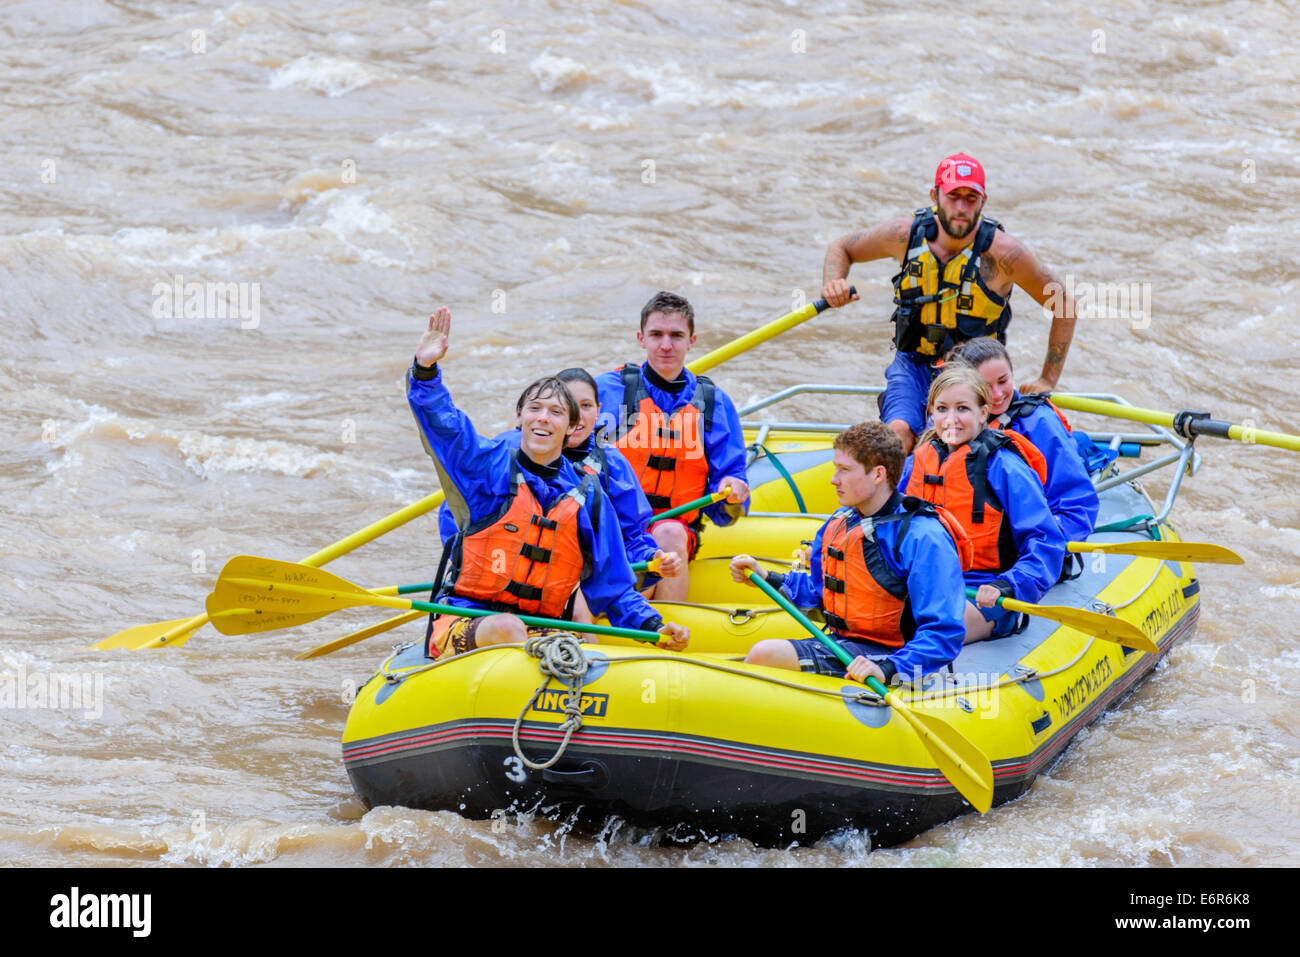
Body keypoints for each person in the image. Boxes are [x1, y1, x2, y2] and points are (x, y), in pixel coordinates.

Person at [408, 306, 689, 657]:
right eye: (535, 408)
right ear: (519, 416)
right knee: (509, 627)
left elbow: (613, 587)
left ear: (572, 428)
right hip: (468, 621)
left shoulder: (588, 498)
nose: (543, 418)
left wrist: (654, 628)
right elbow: (444, 425)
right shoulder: (486, 466)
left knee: (584, 637)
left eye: (556, 412)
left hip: (544, 629)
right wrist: (425, 371)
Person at [820, 153, 1078, 453]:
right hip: (913, 363)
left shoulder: (1006, 255)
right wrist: (832, 282)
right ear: (935, 195)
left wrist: (1047, 378)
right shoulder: (904, 235)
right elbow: (842, 247)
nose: (961, 207)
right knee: (898, 434)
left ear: (983, 202)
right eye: (953, 195)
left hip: (972, 373)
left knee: (943, 441)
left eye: (971, 198)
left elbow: (1064, 304)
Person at [730, 422, 968, 686]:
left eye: (844, 470)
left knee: (766, 655)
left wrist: (891, 668)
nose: (834, 479)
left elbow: (943, 632)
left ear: (878, 474)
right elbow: (823, 599)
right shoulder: (839, 522)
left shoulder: (922, 536)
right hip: (848, 646)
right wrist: (766, 577)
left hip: (896, 657)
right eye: (835, 469)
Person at [435, 367, 683, 606]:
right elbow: (457, 518)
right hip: (504, 578)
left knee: (590, 586)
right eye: (567, 406)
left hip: (578, 578)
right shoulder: (504, 452)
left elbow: (631, 537)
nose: (579, 416)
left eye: (585, 407)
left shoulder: (610, 464)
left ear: (598, 411)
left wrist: (650, 559)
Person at [595, 291, 750, 602]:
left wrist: (734, 493)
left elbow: (726, 514)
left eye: (676, 335)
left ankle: (667, 632)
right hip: (613, 528)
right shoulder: (606, 391)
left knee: (668, 533)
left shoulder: (714, 405)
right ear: (641, 338)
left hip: (674, 530)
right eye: (656, 335)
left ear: (692, 340)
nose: (666, 345)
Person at [900, 363, 1065, 642]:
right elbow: (885, 521)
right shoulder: (919, 459)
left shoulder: (1005, 467)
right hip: (925, 584)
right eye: (942, 409)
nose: (951, 419)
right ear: (932, 413)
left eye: (962, 409)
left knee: (923, 629)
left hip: (984, 594)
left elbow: (1046, 542)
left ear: (983, 414)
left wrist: (1007, 586)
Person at [946, 337, 1099, 558]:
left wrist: (1041, 553)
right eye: (986, 386)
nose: (998, 395)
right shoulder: (953, 423)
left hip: (1028, 544)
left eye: (1003, 381)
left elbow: (1076, 506)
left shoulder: (1040, 423)